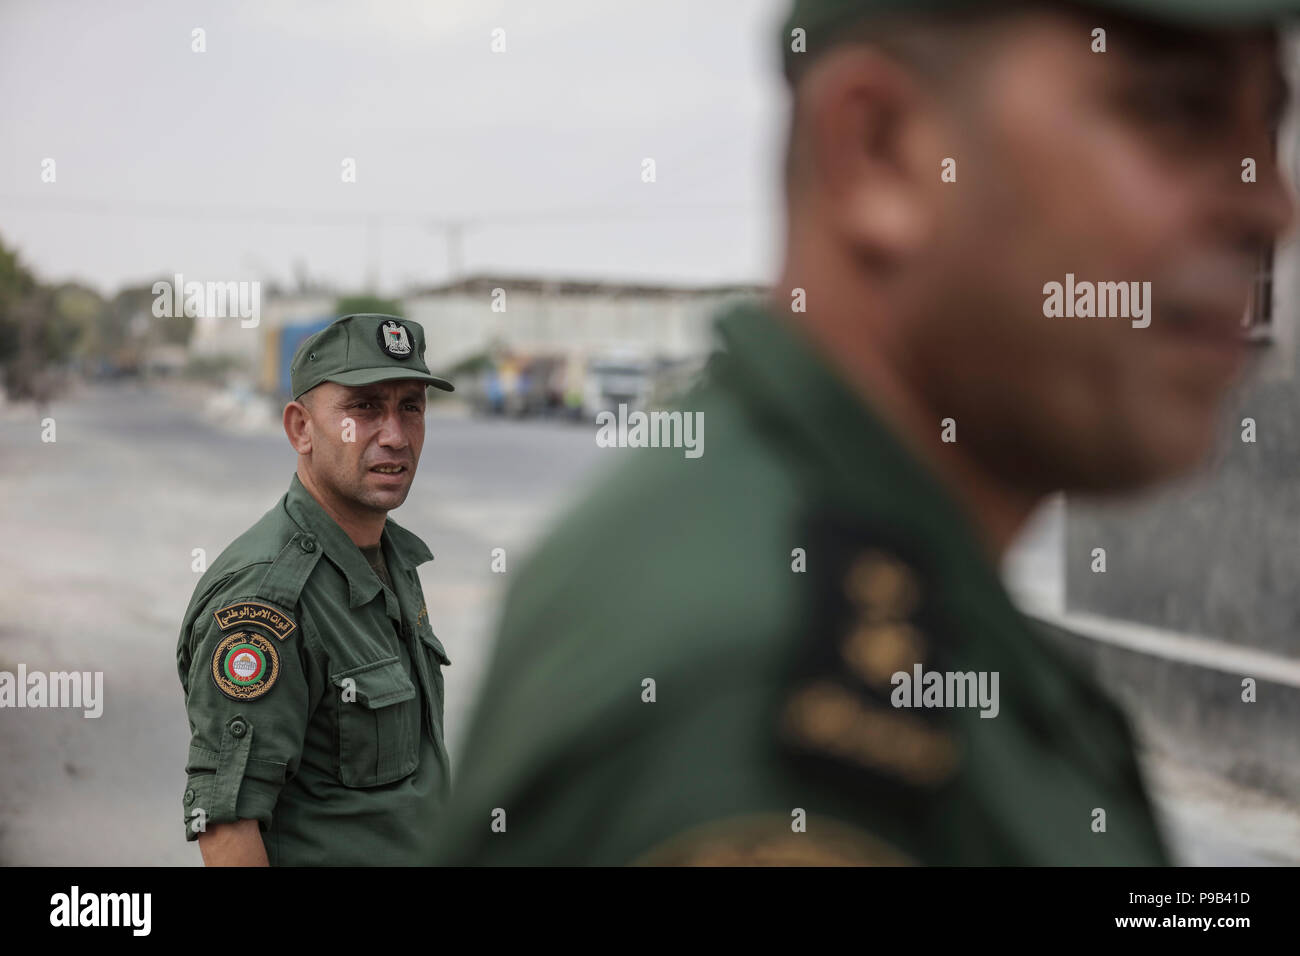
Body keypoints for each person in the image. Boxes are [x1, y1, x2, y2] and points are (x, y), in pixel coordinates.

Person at [429, 0, 1295, 865]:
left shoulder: (851, 572)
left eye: (1273, 122)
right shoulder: (764, 711)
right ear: (880, 152)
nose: (1271, 208)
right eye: (1180, 110)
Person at [176, 313, 455, 865]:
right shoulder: (264, 599)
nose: (395, 436)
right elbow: (228, 826)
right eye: (364, 408)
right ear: (301, 428)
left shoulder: (388, 558)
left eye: (411, 407)